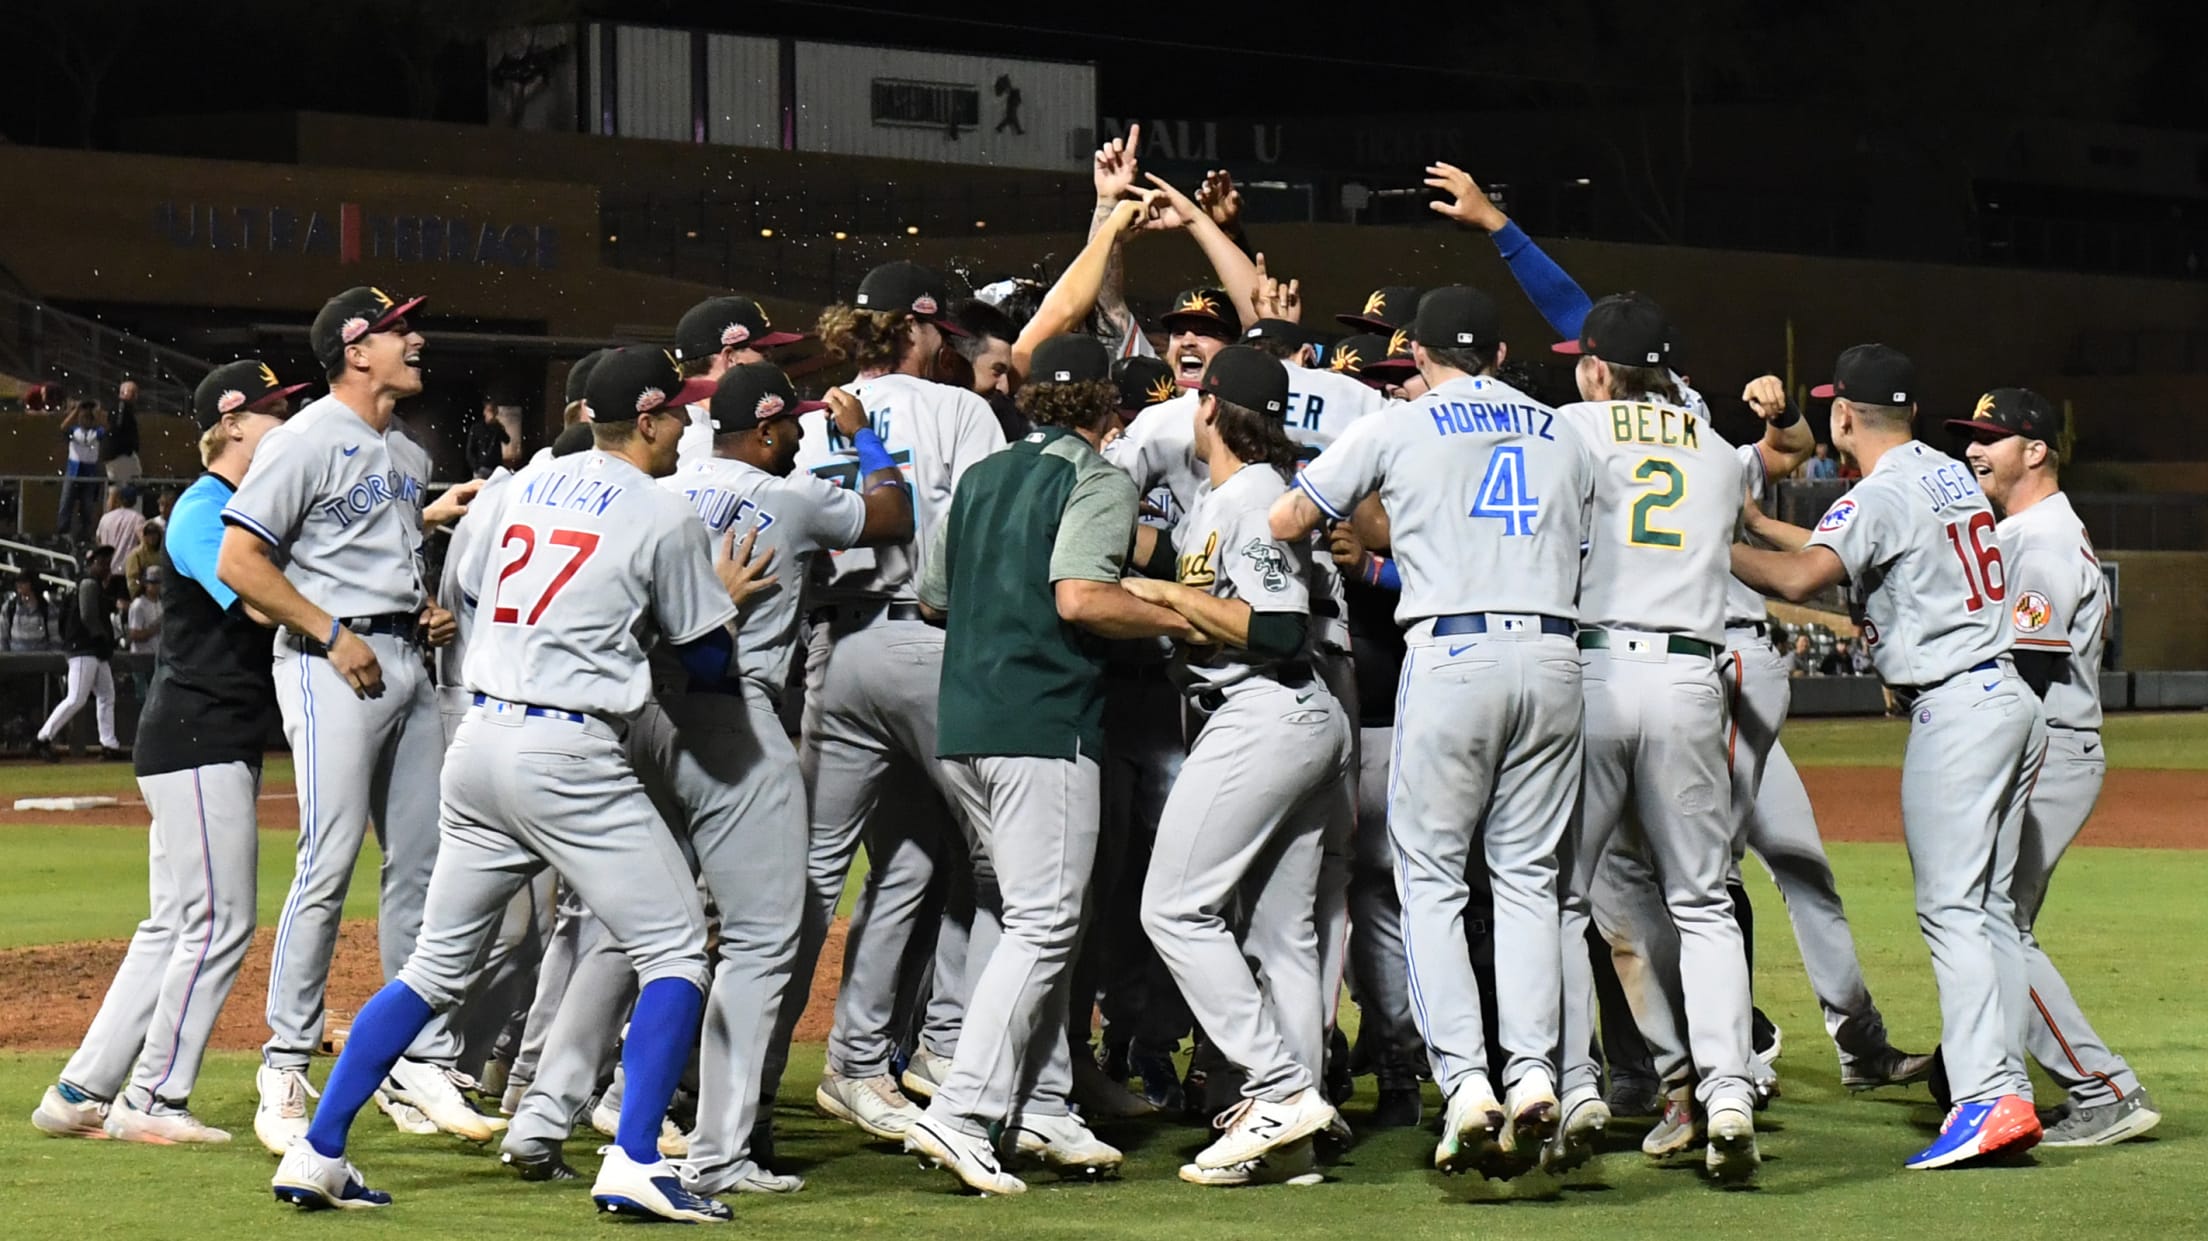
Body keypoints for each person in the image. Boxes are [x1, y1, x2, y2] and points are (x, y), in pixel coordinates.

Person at [266, 346, 769, 1222]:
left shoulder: (515, 488)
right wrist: (721, 603)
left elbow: (461, 590)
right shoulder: (661, 512)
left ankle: (319, 1150)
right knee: (679, 950)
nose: (689, 421)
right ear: (644, 420)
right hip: (567, 750)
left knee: (433, 969)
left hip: (480, 740)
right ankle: (640, 1160)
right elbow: (709, 660)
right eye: (678, 409)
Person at [1272, 286, 1594, 1181]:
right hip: (1556, 654)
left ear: (1419, 355)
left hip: (1455, 652)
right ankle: (1534, 1071)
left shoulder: (1400, 421)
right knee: (1529, 877)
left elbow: (1289, 517)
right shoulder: (1559, 427)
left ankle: (1465, 1084)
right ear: (1496, 351)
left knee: (1431, 878)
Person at [1733, 344, 2047, 1171]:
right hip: (2008, 696)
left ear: (1842, 416)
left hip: (1958, 707)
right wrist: (1762, 524)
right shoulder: (1942, 473)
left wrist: (1702, 550)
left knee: (1952, 910)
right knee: (1987, 913)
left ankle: (1986, 1096)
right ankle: (2002, 1085)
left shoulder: (1880, 492)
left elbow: (1804, 580)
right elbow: (1870, 546)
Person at [905, 333, 1194, 1195]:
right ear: (1108, 408)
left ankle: (1044, 1101)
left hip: (964, 722)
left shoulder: (983, 474)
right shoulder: (1100, 474)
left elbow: (932, 599)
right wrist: (1178, 611)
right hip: (1044, 722)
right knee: (1046, 920)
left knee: (1021, 910)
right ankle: (964, 1109)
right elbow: (1080, 594)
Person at [631, 362, 913, 1198]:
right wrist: (861, 431)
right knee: (766, 933)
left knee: (636, 929)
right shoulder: (787, 498)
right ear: (761, 431)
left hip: (644, 712)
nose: (799, 435)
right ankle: (725, 1141)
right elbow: (895, 513)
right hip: (732, 711)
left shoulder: (670, 486)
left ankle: (574, 1106)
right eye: (790, 423)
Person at [218, 287, 487, 1153]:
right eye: (400, 328)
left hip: (406, 657)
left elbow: (379, 550)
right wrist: (331, 631)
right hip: (329, 667)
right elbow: (240, 562)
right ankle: (286, 1059)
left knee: (425, 864)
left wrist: (421, 609)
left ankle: (417, 1061)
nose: (417, 338)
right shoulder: (300, 441)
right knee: (328, 860)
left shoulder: (403, 451)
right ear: (356, 348)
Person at [759, 260, 1004, 1152]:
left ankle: (770, 1077)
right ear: (920, 328)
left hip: (833, 650)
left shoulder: (817, 413)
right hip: (930, 642)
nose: (950, 342)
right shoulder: (958, 409)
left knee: (858, 868)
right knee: (1003, 862)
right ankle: (952, 1055)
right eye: (943, 329)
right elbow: (983, 533)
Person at [29, 360, 302, 1145]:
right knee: (217, 921)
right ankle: (154, 1096)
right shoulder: (203, 507)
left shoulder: (237, 506)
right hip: (198, 735)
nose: (286, 420)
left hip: (199, 735)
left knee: (174, 922)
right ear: (235, 422)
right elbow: (257, 600)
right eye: (274, 409)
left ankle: (81, 1088)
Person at [1123, 345, 1351, 1185]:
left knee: (1174, 908)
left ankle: (1280, 1088)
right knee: (1282, 938)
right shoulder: (1232, 495)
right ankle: (1293, 1139)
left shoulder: (1253, 493)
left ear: (1211, 407)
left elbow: (1281, 625)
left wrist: (1173, 600)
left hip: (1265, 707)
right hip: (1295, 716)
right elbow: (1179, 560)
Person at [1545, 293, 1759, 1182]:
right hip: (1689, 675)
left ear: (1598, 367)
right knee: (1704, 901)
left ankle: (1568, 1085)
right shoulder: (1715, 452)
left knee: (1557, 896)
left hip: (1595, 668)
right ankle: (1728, 1092)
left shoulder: (1574, 427)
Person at [1949, 387, 2158, 1147]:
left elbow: (2029, 666)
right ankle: (1983, 1059)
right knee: (1997, 917)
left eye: (1991, 437)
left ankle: (2103, 1088)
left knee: (1993, 919)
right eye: (1972, 435)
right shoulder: (2031, 529)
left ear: (2035, 450)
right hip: (2055, 741)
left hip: (2045, 742)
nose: (1974, 448)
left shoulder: (2038, 539)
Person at [670, 294, 806, 469]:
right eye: (765, 355)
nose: (773, 367)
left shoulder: (687, 429)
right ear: (731, 359)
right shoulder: (703, 445)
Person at [32, 544, 124, 761]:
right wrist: (104, 638)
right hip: (84, 648)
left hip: (92, 650)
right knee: (76, 698)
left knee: (106, 695)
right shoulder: (88, 584)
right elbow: (89, 617)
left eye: (107, 562)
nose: (106, 566)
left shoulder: (93, 585)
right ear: (91, 564)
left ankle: (109, 745)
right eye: (101, 563)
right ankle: (42, 739)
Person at [57, 399, 106, 545]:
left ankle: (85, 533)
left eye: (88, 418)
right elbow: (63, 427)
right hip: (73, 470)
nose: (86, 420)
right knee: (66, 502)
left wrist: (97, 414)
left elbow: (107, 428)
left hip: (89, 472)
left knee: (87, 505)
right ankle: (62, 531)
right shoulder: (74, 431)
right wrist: (76, 411)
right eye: (84, 418)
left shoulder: (96, 433)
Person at [97, 486, 148, 572]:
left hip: (106, 569)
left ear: (119, 499)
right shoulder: (138, 519)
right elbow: (143, 542)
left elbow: (98, 539)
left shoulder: (105, 518)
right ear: (135, 501)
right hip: (127, 569)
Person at [3, 573, 56, 651]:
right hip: (15, 659)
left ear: (32, 584)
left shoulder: (47, 608)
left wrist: (52, 660)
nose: (19, 585)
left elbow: (55, 638)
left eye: (23, 582)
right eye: (18, 582)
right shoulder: (10, 607)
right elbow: (2, 636)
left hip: (40, 659)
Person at [465, 401, 510, 479]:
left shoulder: (497, 427)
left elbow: (507, 440)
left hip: (495, 468)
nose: (491, 414)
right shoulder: (477, 428)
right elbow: (470, 450)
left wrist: (499, 427)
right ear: (484, 412)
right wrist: (476, 467)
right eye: (489, 411)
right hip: (482, 468)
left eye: (493, 412)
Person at [124, 519, 166, 599]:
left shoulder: (164, 553)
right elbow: (132, 579)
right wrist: (138, 596)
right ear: (144, 536)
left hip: (162, 596)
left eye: (155, 533)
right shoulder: (136, 555)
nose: (152, 537)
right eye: (148, 534)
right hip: (143, 597)